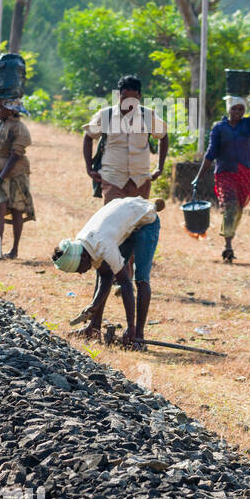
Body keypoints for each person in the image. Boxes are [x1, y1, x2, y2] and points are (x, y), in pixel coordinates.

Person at [52, 196, 166, 350]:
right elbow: (106, 276)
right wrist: (94, 305)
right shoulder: (83, 243)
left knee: (141, 280)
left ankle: (138, 336)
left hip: (146, 221)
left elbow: (125, 284)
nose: (81, 273)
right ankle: (94, 329)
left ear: (84, 256)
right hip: (125, 220)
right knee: (102, 274)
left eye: (79, 269)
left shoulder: (103, 245)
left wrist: (129, 326)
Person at [192, 74, 250, 263]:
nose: (237, 112)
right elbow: (211, 153)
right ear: (229, 109)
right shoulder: (219, 128)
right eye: (234, 108)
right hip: (225, 173)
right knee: (230, 207)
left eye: (241, 109)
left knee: (238, 209)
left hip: (243, 173)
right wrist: (199, 176)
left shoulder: (247, 124)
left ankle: (229, 238)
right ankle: (228, 245)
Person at [82, 75, 167, 203]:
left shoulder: (148, 116)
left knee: (138, 220)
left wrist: (160, 167)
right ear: (118, 95)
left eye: (132, 99)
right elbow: (88, 137)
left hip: (140, 180)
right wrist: (89, 168)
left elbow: (164, 137)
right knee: (114, 218)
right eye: (124, 98)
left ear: (139, 96)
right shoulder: (106, 115)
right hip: (113, 179)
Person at [0, 97, 35, 260]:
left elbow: (14, 157)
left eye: (2, 106)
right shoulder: (0, 121)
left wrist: (0, 179)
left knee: (16, 209)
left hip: (15, 173)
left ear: (12, 110)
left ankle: (14, 250)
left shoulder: (19, 129)